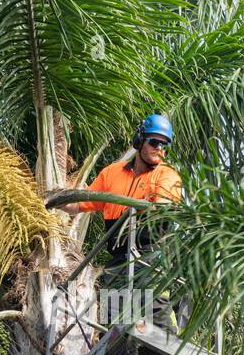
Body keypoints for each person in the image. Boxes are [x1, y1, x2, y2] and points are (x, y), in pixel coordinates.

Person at [65, 114, 185, 331]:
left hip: (151, 253)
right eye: (154, 142)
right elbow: (82, 203)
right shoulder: (112, 173)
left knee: (154, 306)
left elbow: (162, 205)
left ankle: (167, 354)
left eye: (164, 144)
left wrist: (137, 205)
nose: (160, 148)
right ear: (139, 140)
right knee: (110, 313)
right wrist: (55, 200)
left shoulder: (168, 175)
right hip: (119, 257)